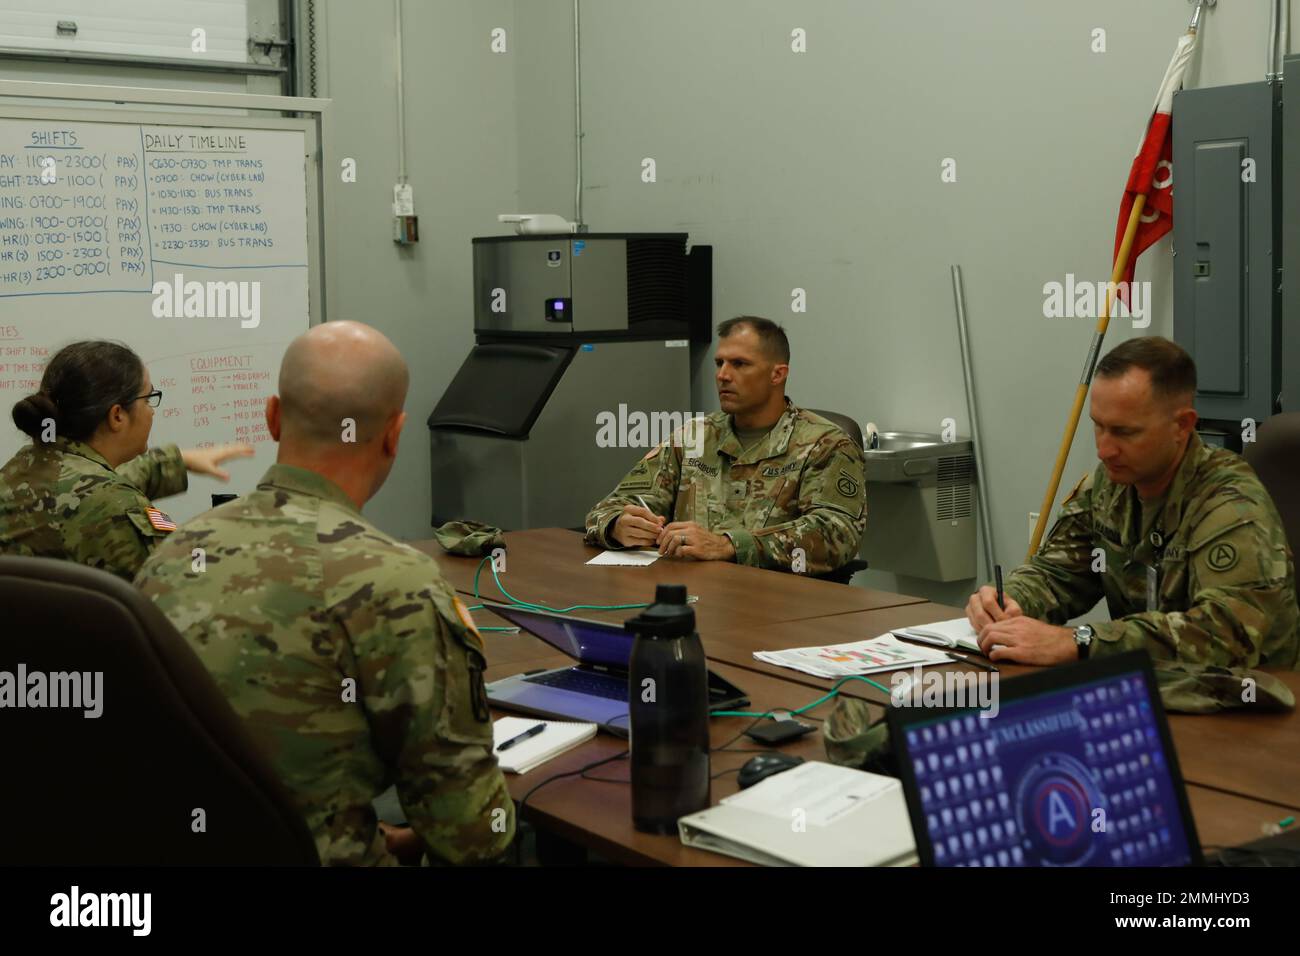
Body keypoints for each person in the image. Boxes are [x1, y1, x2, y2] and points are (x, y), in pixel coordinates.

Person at [134, 321, 515, 866]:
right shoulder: (397, 584)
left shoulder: (172, 554)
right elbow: (474, 838)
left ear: (271, 418)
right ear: (394, 435)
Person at [966, 336, 1298, 669]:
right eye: (1099, 427)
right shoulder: (1110, 485)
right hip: (1153, 688)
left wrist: (1080, 642)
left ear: (1181, 426)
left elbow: (1225, 635)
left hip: (1253, 701)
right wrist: (1010, 600)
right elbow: (1058, 573)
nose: (1104, 449)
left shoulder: (1229, 503)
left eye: (1125, 432)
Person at [584, 316, 866, 575]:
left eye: (739, 364)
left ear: (777, 374)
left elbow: (837, 534)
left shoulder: (826, 445)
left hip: (778, 603)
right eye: (719, 363)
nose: (723, 375)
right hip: (693, 594)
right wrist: (618, 525)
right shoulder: (693, 437)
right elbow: (612, 506)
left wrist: (729, 545)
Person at [0, 340, 252, 581]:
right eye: (148, 399)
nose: (152, 411)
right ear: (117, 416)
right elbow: (179, 584)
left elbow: (80, 494)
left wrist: (177, 459)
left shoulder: (20, 469)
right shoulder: (114, 505)